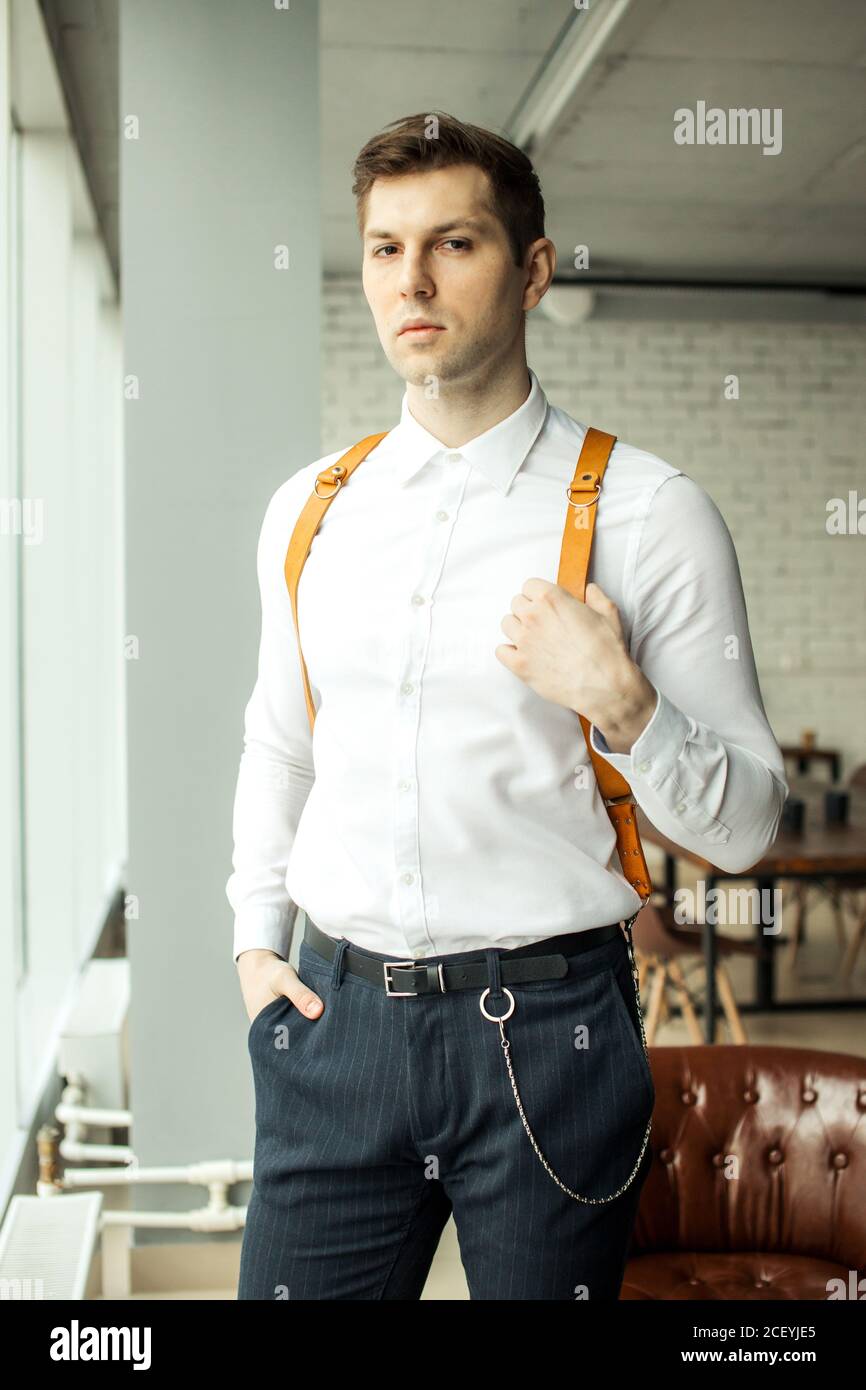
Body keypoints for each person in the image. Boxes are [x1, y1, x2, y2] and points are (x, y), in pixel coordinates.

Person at [228, 111, 788, 1301]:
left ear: (532, 270)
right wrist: (251, 939)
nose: (411, 281)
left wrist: (626, 704)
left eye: (453, 243)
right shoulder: (309, 509)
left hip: (547, 1034)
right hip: (333, 1022)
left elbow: (746, 829)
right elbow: (281, 744)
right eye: (385, 248)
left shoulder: (648, 513)